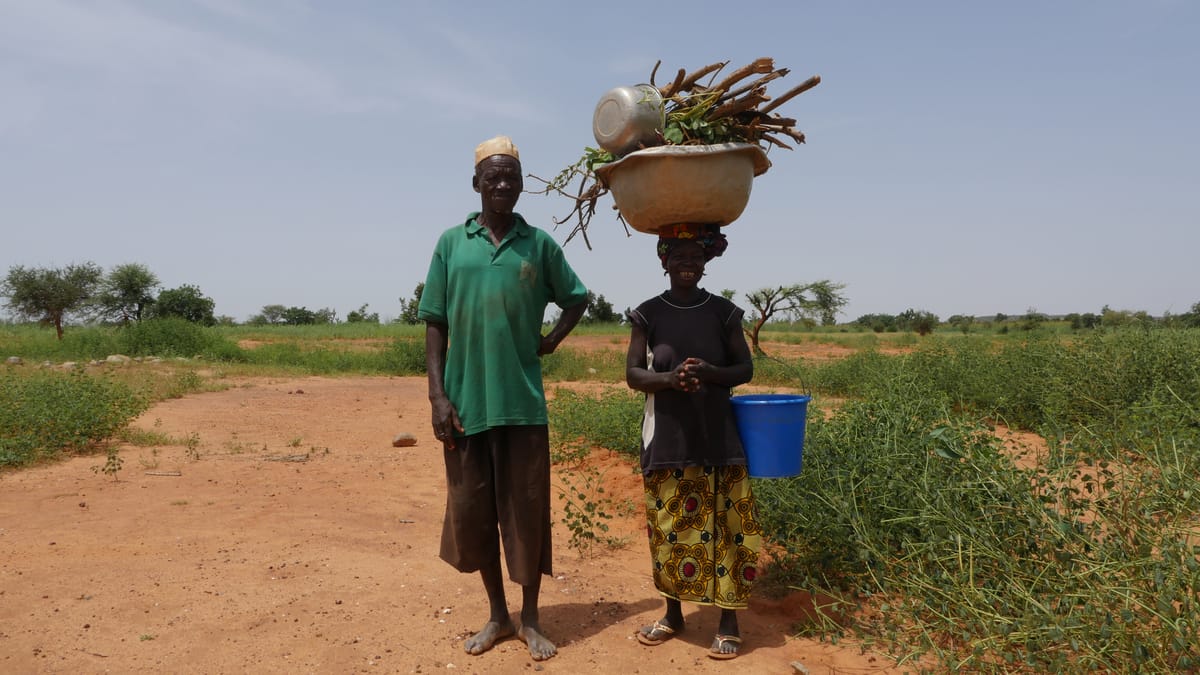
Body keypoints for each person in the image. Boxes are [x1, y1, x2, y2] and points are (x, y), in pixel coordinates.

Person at [417, 135, 589, 662]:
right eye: (492, 177)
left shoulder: (538, 244)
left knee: (526, 511)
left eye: (510, 177)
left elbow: (577, 297)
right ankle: (497, 614)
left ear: (520, 186)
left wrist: (551, 340)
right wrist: (437, 398)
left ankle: (531, 618)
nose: (502, 185)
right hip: (466, 408)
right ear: (476, 184)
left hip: (522, 405)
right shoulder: (451, 243)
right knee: (475, 511)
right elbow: (435, 325)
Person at [624, 223, 760, 660]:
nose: (688, 264)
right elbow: (633, 375)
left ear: (706, 263)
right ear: (663, 261)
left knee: (727, 532)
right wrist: (670, 378)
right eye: (678, 257)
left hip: (718, 439)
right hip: (668, 440)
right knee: (671, 533)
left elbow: (744, 369)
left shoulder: (723, 313)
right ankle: (673, 614)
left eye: (695, 257)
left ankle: (728, 620)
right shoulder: (648, 314)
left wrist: (709, 373)